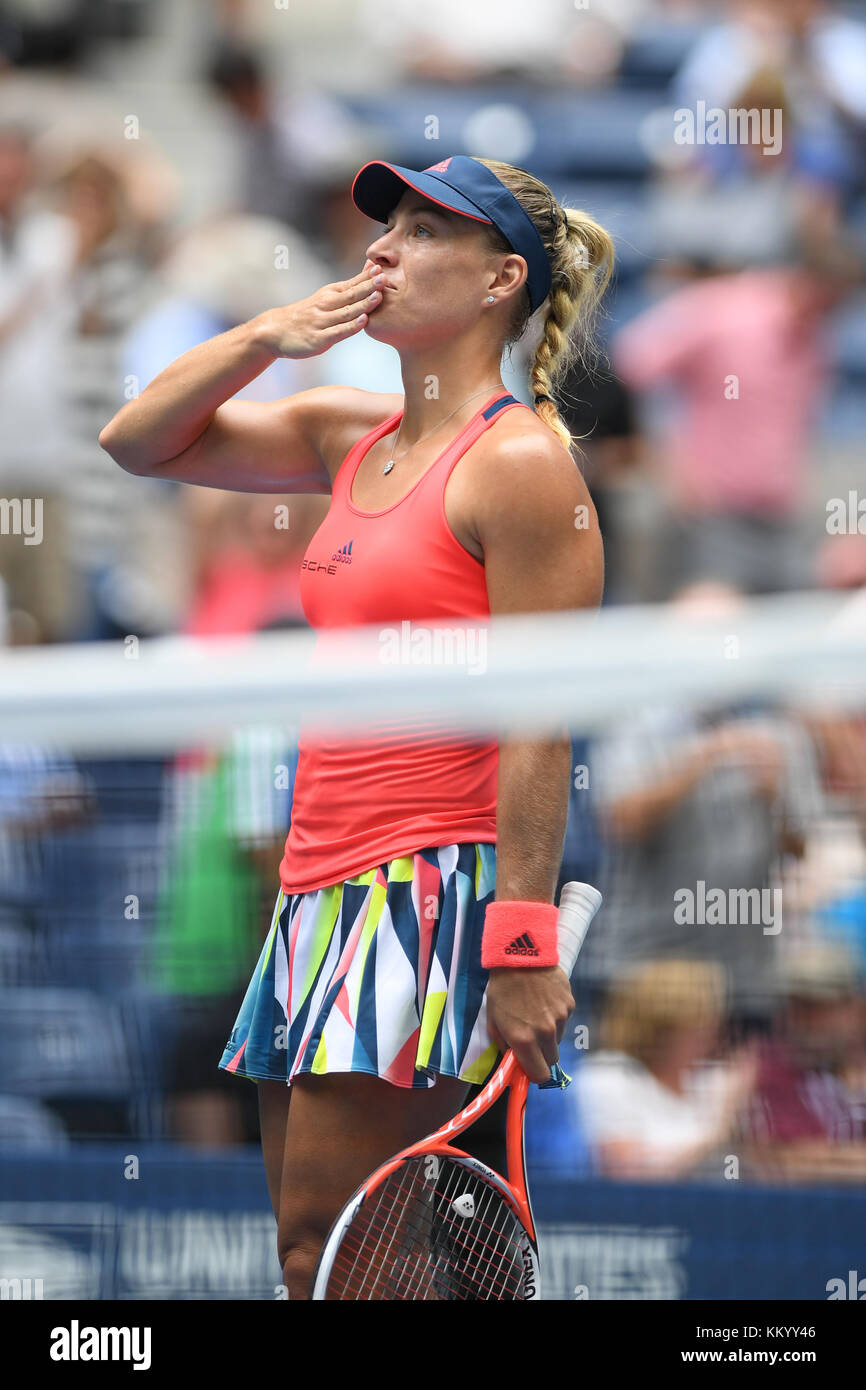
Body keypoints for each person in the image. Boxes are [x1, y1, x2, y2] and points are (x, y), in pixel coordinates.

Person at [98, 153, 612, 1298]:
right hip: (312, 887)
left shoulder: (522, 465)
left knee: (350, 1254)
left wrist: (519, 943)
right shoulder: (345, 432)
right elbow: (135, 440)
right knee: (311, 1257)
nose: (381, 250)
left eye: (425, 233)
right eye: (385, 229)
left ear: (498, 282)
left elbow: (540, 719)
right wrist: (266, 337)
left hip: (424, 891)